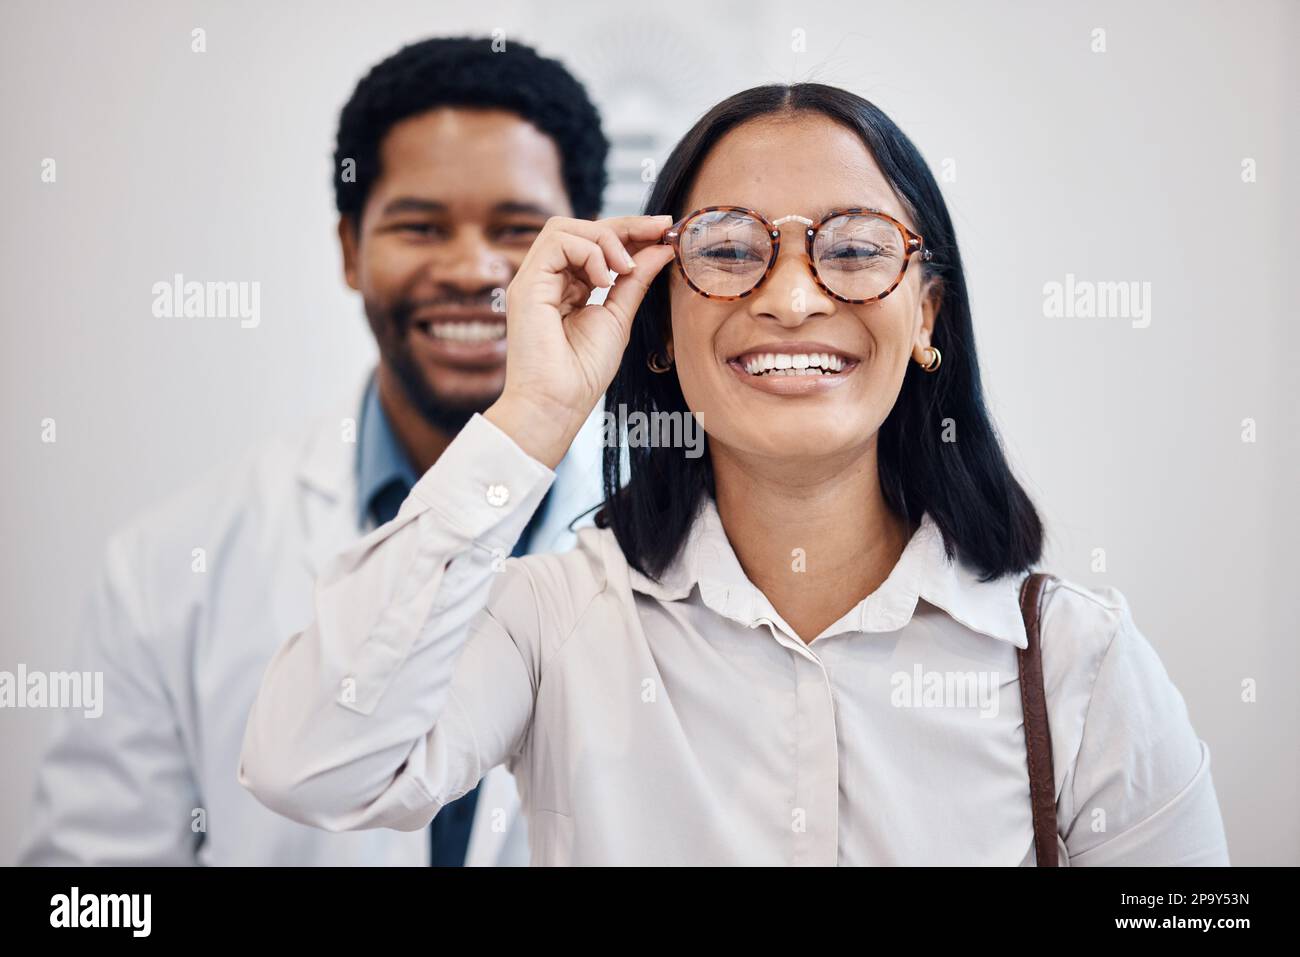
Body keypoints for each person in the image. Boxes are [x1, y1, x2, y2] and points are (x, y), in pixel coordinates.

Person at [239, 83, 1230, 865]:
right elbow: (309, 766)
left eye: (852, 248)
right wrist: (534, 411)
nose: (792, 298)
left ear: (926, 316)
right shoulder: (552, 620)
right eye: (724, 249)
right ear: (659, 321)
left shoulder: (1075, 661)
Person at [20, 36, 608, 867]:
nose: (474, 268)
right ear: (347, 250)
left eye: (517, 229)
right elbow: (96, 884)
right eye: (420, 225)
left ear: (583, 254)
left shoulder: (682, 542)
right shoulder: (171, 565)